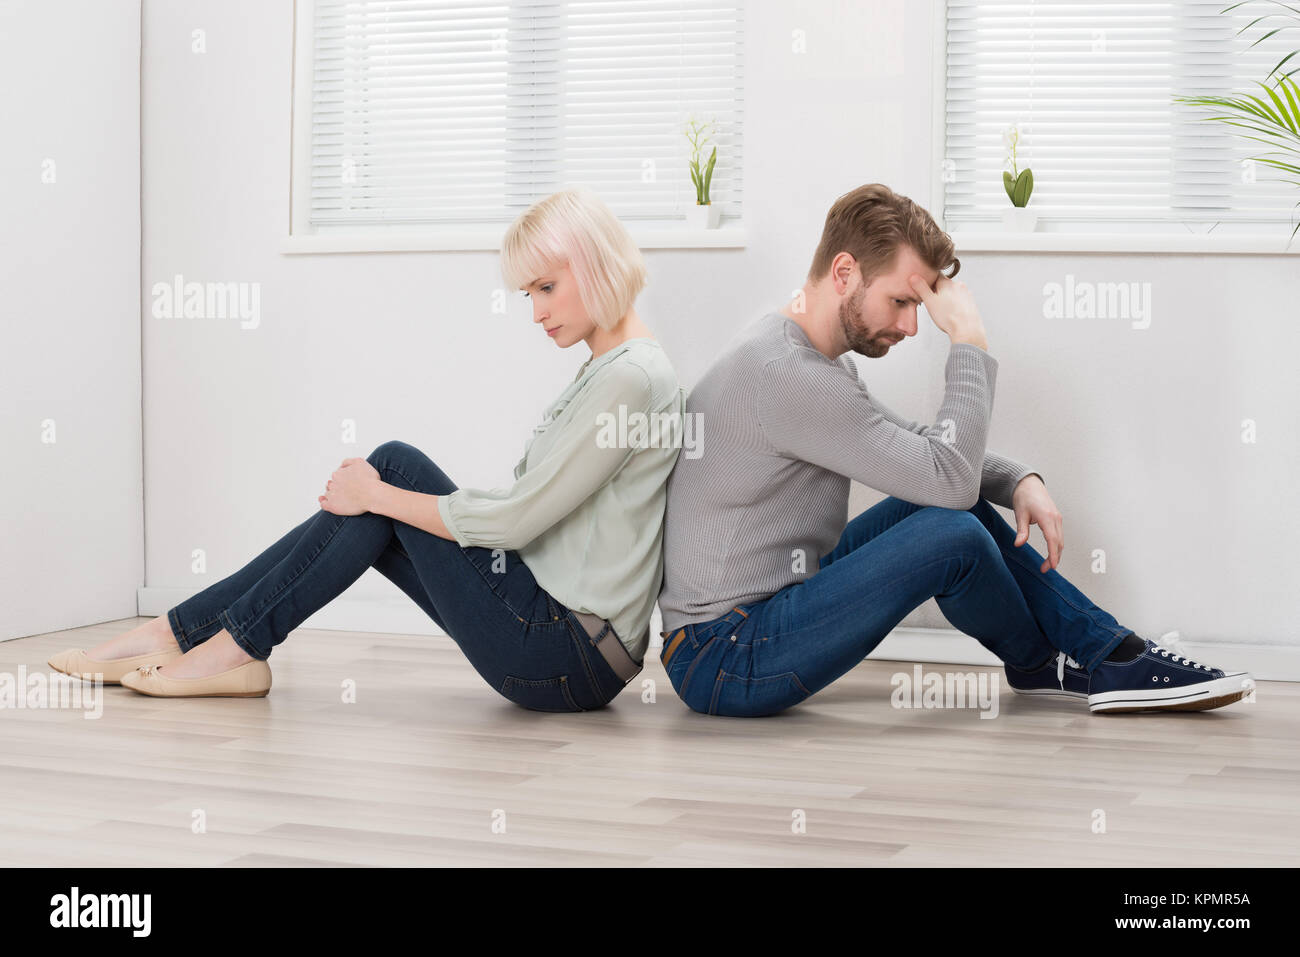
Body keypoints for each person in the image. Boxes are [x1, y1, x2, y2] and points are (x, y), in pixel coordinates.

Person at [49, 188, 686, 709]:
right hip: (555, 638)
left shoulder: (630, 379)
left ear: (595, 262)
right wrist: (380, 499)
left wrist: (379, 493)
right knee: (383, 492)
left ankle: (211, 643)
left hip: (564, 654)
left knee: (391, 471)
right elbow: (527, 506)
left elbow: (519, 518)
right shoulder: (612, 369)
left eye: (546, 287)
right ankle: (189, 638)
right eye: (529, 295)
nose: (536, 312)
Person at [656, 183, 1253, 716]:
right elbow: (947, 479)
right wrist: (968, 340)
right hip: (723, 656)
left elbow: (920, 454)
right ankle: (1077, 658)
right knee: (954, 527)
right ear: (844, 273)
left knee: (952, 508)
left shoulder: (796, 353)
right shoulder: (789, 374)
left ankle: (1093, 655)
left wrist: (1017, 476)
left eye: (921, 307)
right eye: (902, 301)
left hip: (764, 612)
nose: (914, 326)